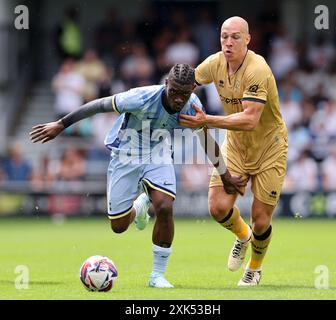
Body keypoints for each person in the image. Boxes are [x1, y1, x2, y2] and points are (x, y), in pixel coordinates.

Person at [30, 63, 245, 288]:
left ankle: (157, 276)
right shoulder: (140, 97)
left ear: (193, 89)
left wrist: (225, 175)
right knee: (119, 226)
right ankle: (139, 207)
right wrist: (61, 124)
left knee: (164, 206)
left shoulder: (193, 107)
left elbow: (206, 141)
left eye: (185, 93)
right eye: (174, 92)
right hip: (126, 154)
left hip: (157, 153)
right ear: (166, 84)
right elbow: (99, 105)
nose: (179, 99)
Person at [179, 17, 288, 286]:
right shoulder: (215, 63)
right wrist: (160, 100)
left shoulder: (257, 69)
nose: (228, 42)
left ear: (248, 40)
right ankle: (242, 236)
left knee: (261, 220)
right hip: (237, 146)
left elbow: (250, 120)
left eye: (235, 37)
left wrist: (207, 121)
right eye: (224, 36)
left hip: (269, 148)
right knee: (217, 207)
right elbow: (186, 84)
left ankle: (254, 268)